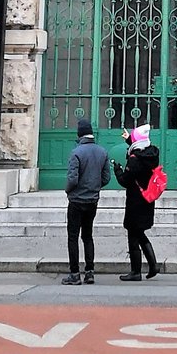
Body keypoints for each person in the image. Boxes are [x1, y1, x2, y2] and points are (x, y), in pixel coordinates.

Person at [60, 116, 110, 286]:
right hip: (92, 201)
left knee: (73, 237)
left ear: (79, 134)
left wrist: (68, 190)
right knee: (88, 236)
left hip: (76, 201)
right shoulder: (102, 152)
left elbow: (72, 179)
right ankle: (90, 272)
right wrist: (94, 186)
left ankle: (74, 274)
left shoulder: (76, 153)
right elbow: (106, 178)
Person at [113, 124, 162, 281]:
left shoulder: (134, 161)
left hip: (135, 202)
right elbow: (139, 150)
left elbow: (125, 181)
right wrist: (130, 140)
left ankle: (135, 272)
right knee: (139, 232)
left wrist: (118, 170)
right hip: (146, 199)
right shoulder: (150, 154)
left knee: (133, 235)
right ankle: (153, 265)